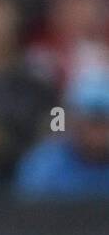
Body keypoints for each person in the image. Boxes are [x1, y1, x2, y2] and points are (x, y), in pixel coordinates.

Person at [14, 69, 109, 198]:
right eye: (91, 123)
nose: (97, 134)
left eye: (104, 123)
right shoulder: (44, 164)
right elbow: (29, 213)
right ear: (74, 121)